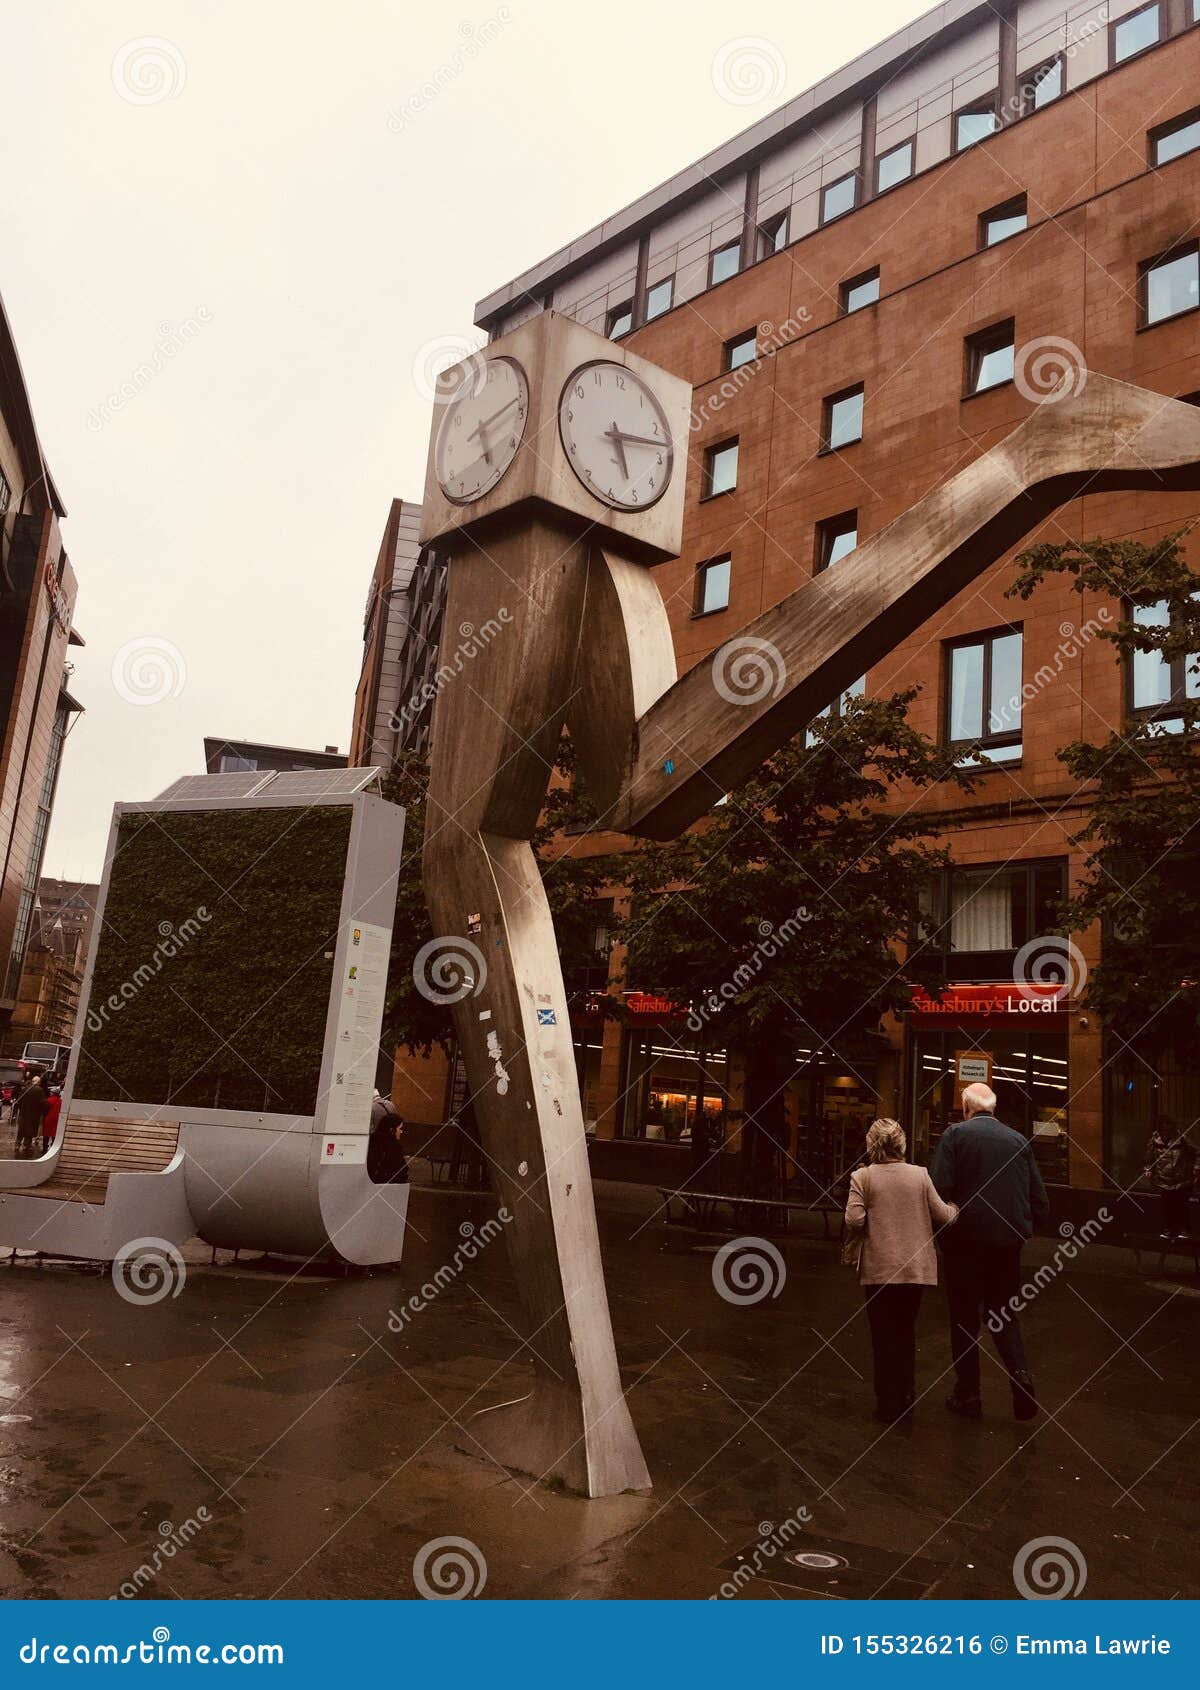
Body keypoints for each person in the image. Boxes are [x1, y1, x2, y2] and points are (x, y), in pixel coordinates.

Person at [930, 1081, 1049, 1422]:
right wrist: (1021, 1231)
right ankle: (1021, 1377)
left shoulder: (954, 1136)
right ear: (993, 1109)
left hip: (964, 1244)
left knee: (964, 1319)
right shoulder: (1018, 1141)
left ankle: (968, 1395)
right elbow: (1040, 1202)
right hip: (1006, 1245)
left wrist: (943, 1236)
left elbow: (939, 1191)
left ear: (966, 1109)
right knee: (1003, 1314)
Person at [844, 1118, 958, 1423]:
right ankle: (907, 1395)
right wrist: (955, 1207)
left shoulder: (862, 1177)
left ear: (871, 1144)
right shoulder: (920, 1176)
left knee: (882, 1337)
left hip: (880, 1268)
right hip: (913, 1270)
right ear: (902, 1144)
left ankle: (887, 1402)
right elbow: (943, 1215)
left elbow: (853, 1220)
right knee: (905, 1333)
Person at [1142, 1118, 1195, 1241]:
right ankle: (1169, 1230)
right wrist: (1148, 1169)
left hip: (1182, 1180)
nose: (1165, 1132)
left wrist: (1196, 1168)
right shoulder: (1154, 1141)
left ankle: (1184, 1230)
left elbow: (1197, 1152)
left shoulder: (1182, 1139)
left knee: (1181, 1206)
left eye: (1168, 1129)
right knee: (1167, 1206)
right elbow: (1149, 1157)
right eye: (1163, 1129)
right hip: (1164, 1180)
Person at [367, 1091, 409, 1184]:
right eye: (400, 1129)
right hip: (390, 1136)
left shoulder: (372, 1108)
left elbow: (370, 1127)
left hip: (378, 1138)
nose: (402, 1131)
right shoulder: (390, 1104)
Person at [14, 1072, 47, 1157]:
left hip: (23, 1113)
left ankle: (17, 1144)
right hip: (34, 1114)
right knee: (30, 1130)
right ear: (38, 1082)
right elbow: (42, 1103)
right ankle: (26, 1145)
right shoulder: (40, 1090)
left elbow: (19, 1101)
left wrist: (21, 1109)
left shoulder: (25, 1089)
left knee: (21, 1129)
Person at [42, 1086, 63, 1151]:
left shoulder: (48, 1100)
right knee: (54, 1134)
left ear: (53, 1093)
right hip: (57, 1119)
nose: (50, 1093)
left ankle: (45, 1147)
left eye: (51, 1092)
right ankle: (53, 1147)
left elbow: (45, 1110)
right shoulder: (61, 1101)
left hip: (49, 1119)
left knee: (46, 1134)